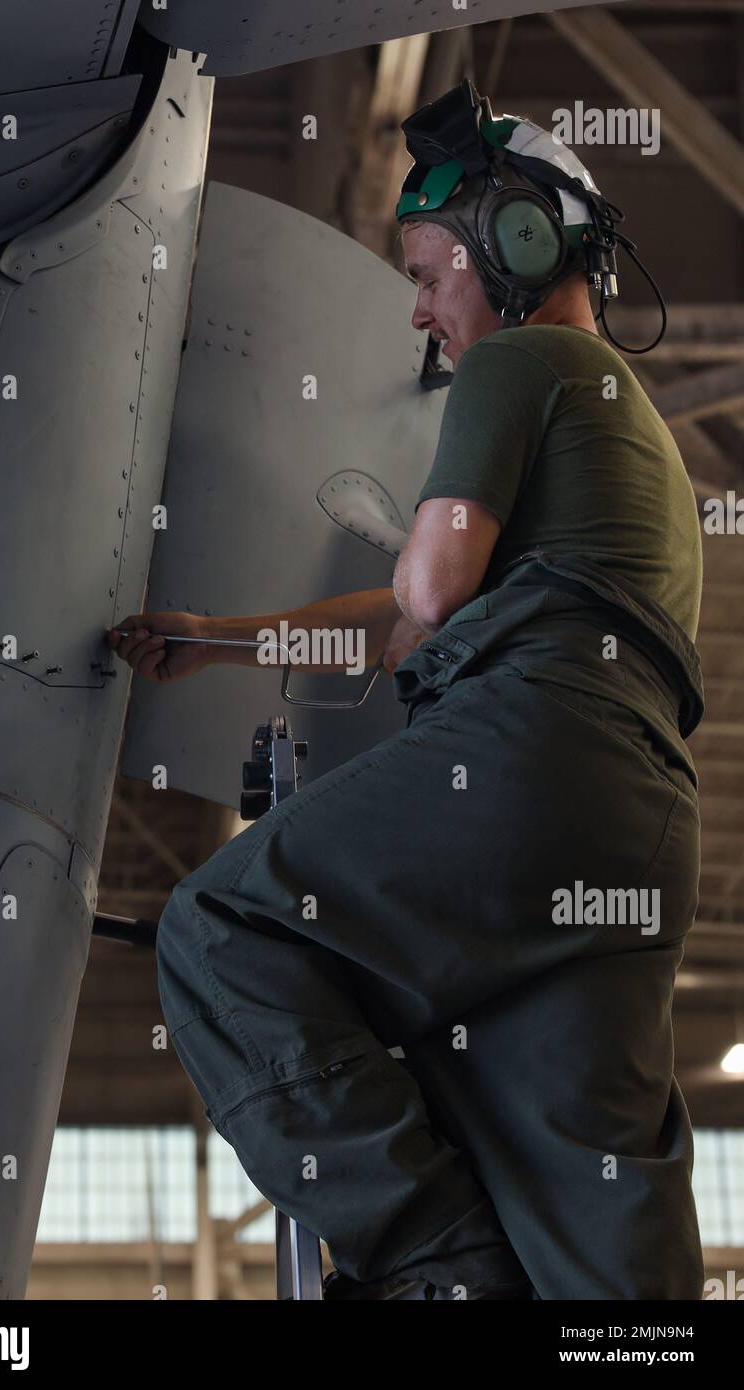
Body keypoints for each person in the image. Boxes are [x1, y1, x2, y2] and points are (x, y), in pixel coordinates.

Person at [108, 82, 705, 1300]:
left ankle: (437, 1271)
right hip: (630, 819)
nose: (422, 312)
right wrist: (220, 639)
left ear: (513, 247)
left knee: (223, 931)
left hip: (524, 756)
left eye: (431, 274)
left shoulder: (523, 358)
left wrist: (419, 558)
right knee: (585, 1192)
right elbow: (410, 616)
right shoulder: (634, 436)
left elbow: (425, 591)